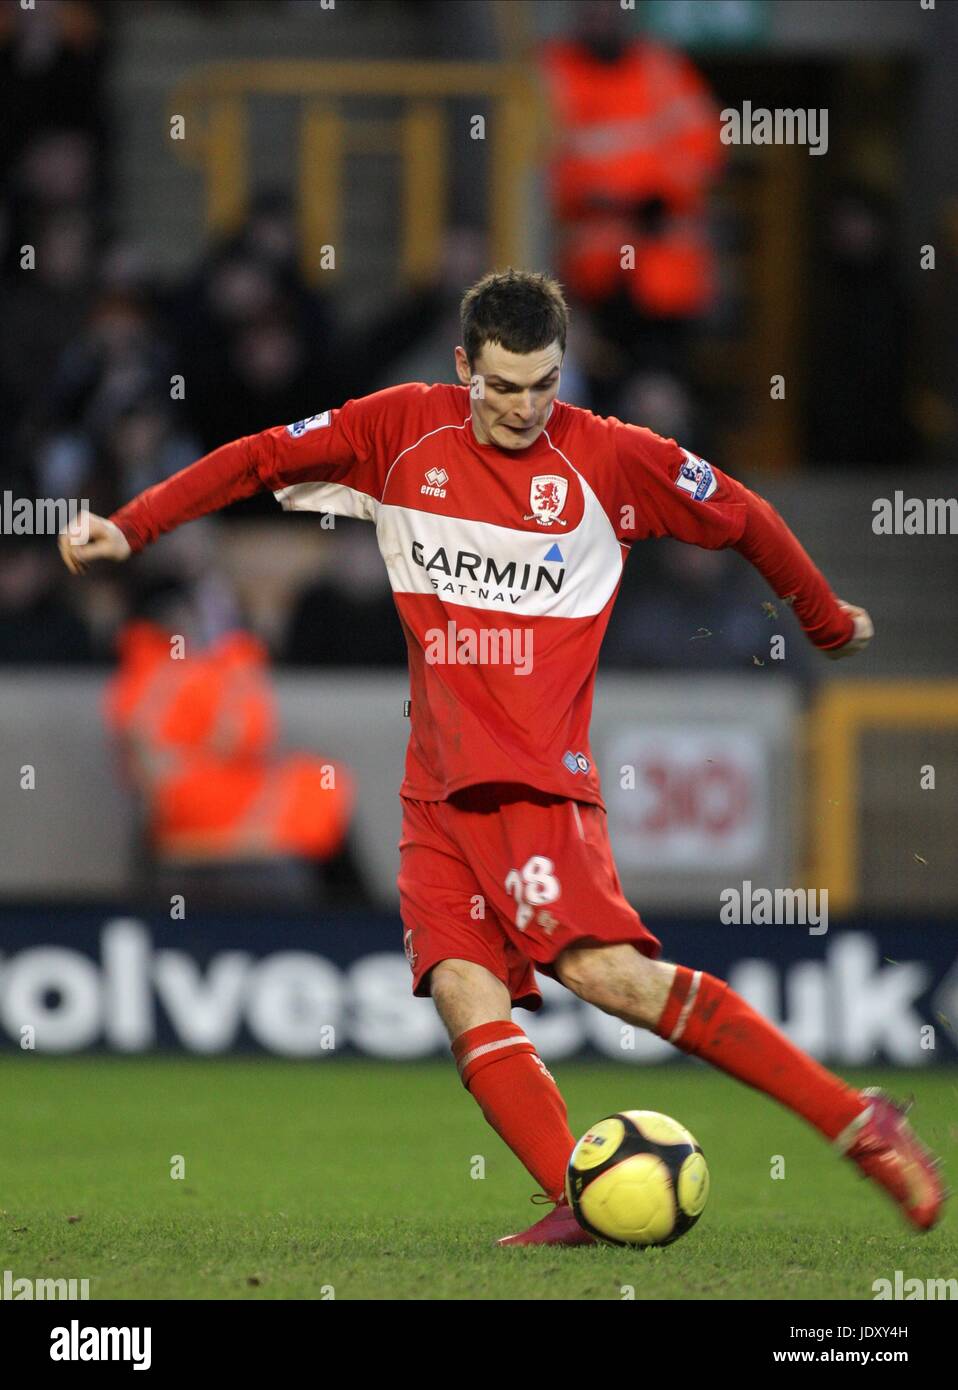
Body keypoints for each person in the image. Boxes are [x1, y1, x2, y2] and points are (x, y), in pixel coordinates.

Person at [59, 269, 944, 1246]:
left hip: (530, 781)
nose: (525, 407)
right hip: (432, 788)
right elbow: (260, 458)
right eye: (503, 384)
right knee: (460, 989)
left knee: (613, 979)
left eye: (544, 383)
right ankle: (577, 1196)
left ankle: (858, 1122)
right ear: (462, 367)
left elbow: (743, 516)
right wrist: (130, 526)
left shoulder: (610, 458)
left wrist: (822, 622)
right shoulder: (400, 431)